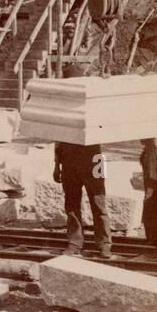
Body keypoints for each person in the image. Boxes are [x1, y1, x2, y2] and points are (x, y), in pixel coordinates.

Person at [53, 63, 111, 258]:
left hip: (95, 158)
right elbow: (58, 137)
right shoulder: (62, 107)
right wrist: (56, 165)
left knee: (99, 200)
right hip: (69, 159)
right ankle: (75, 243)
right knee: (71, 204)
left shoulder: (94, 103)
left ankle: (104, 244)